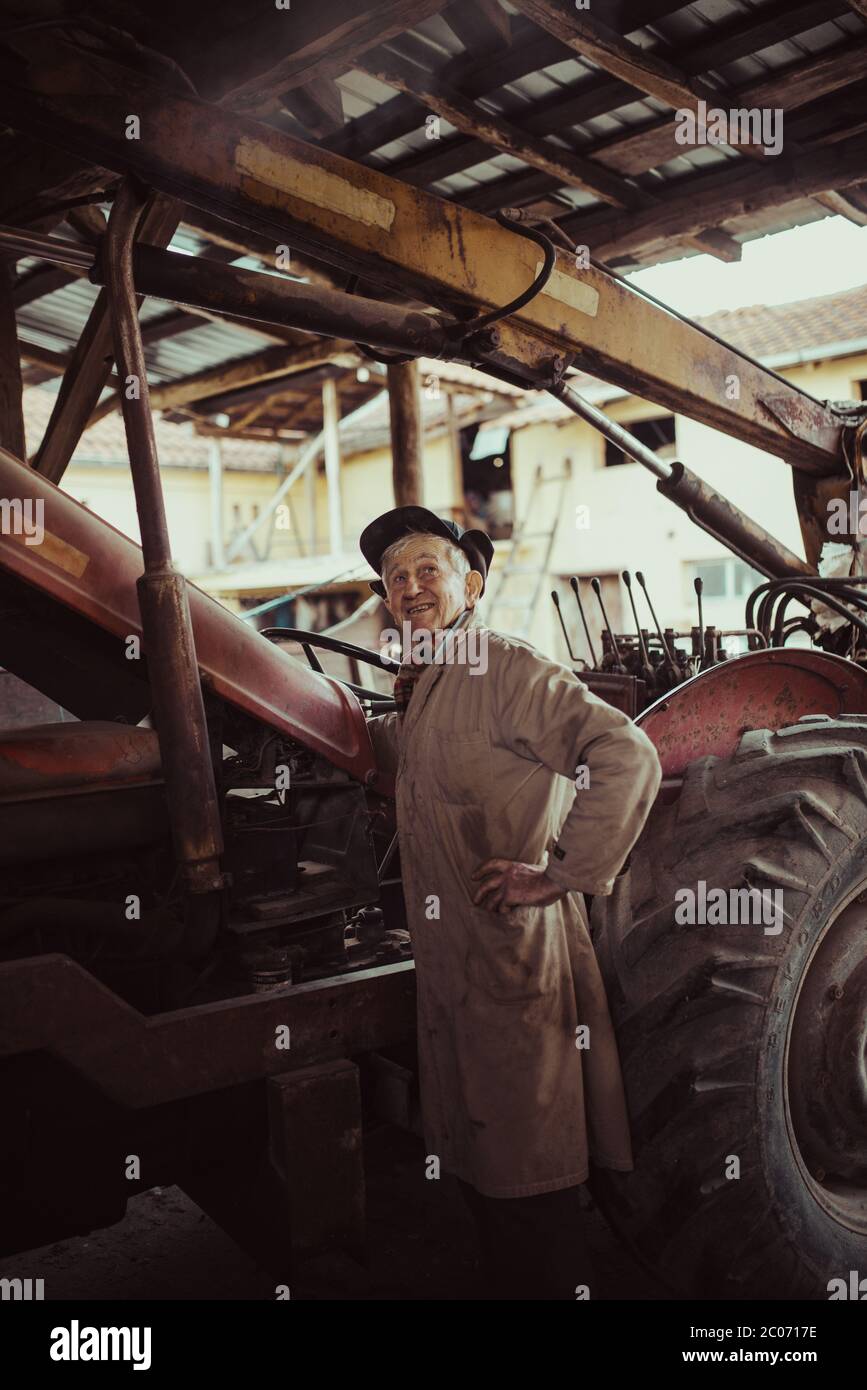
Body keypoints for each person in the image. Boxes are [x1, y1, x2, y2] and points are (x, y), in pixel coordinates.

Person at [360, 505, 662, 1299]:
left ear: (470, 583)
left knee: (532, 1174)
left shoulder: (502, 667)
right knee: (485, 1171)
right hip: (453, 963)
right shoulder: (422, 687)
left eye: (428, 570)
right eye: (396, 577)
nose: (411, 587)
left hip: (511, 954)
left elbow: (624, 752)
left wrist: (558, 874)